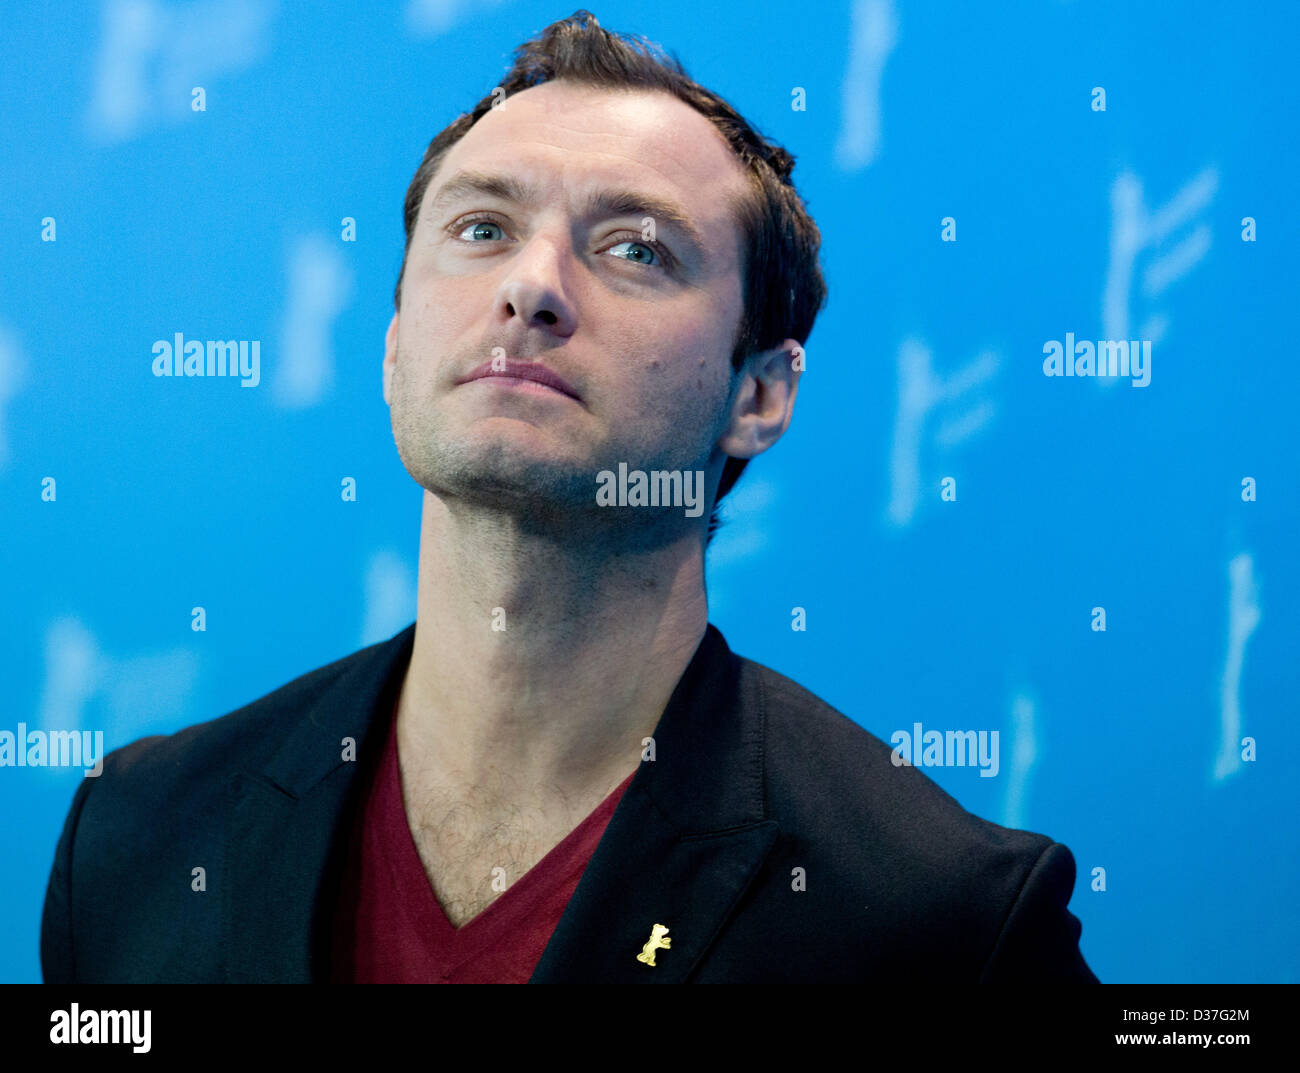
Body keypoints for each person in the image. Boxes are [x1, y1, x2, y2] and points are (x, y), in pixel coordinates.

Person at [40, 10, 1098, 984]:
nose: (532, 285)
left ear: (762, 394)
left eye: (635, 247)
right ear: (395, 342)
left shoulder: (942, 923)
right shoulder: (135, 839)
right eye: (482, 228)